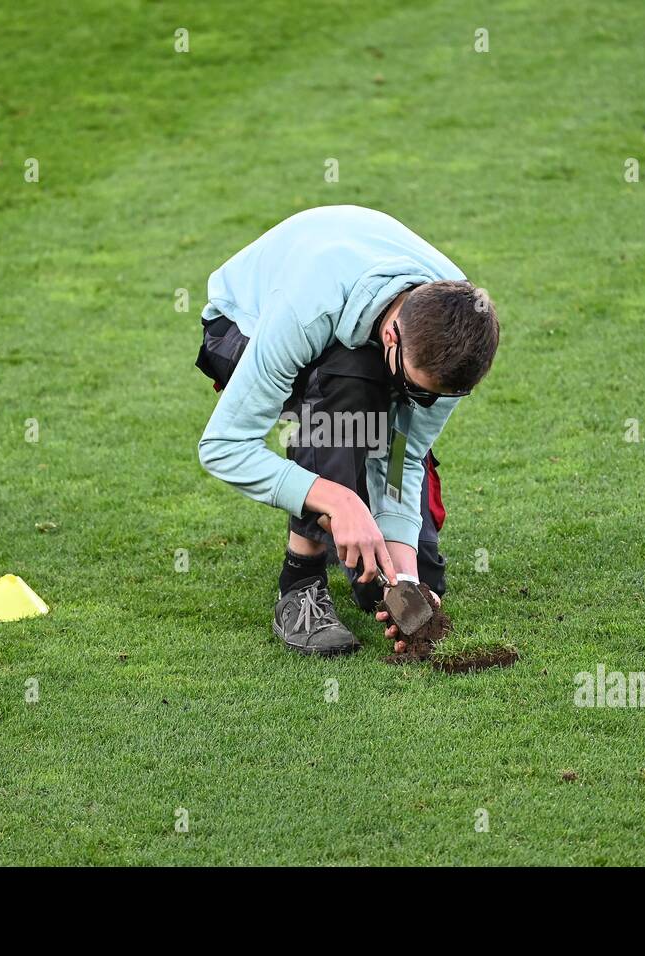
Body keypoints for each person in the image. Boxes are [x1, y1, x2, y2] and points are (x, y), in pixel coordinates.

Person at [195, 205, 499, 656]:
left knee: (414, 572)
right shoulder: (304, 310)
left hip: (361, 339)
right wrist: (338, 501)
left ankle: (372, 566)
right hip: (242, 324)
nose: (427, 404)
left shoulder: (458, 327)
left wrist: (406, 579)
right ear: (393, 338)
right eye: (418, 389)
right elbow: (223, 447)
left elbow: (403, 451)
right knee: (351, 378)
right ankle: (301, 582)